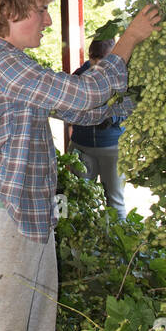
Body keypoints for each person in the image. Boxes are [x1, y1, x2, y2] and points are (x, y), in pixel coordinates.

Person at [0, 0, 161, 331]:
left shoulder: (20, 66)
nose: (47, 20)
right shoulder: (4, 64)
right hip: (5, 219)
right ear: (10, 13)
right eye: (39, 10)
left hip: (31, 219)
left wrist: (136, 102)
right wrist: (127, 41)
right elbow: (85, 90)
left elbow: (81, 108)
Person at [68, 39, 133, 219]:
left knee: (115, 201)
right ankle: (81, 242)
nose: (96, 64)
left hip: (112, 147)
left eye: (101, 59)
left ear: (110, 57)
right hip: (82, 145)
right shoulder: (78, 76)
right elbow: (68, 108)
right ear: (89, 56)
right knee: (78, 199)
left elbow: (130, 108)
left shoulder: (123, 75)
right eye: (93, 58)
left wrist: (112, 117)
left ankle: (120, 243)